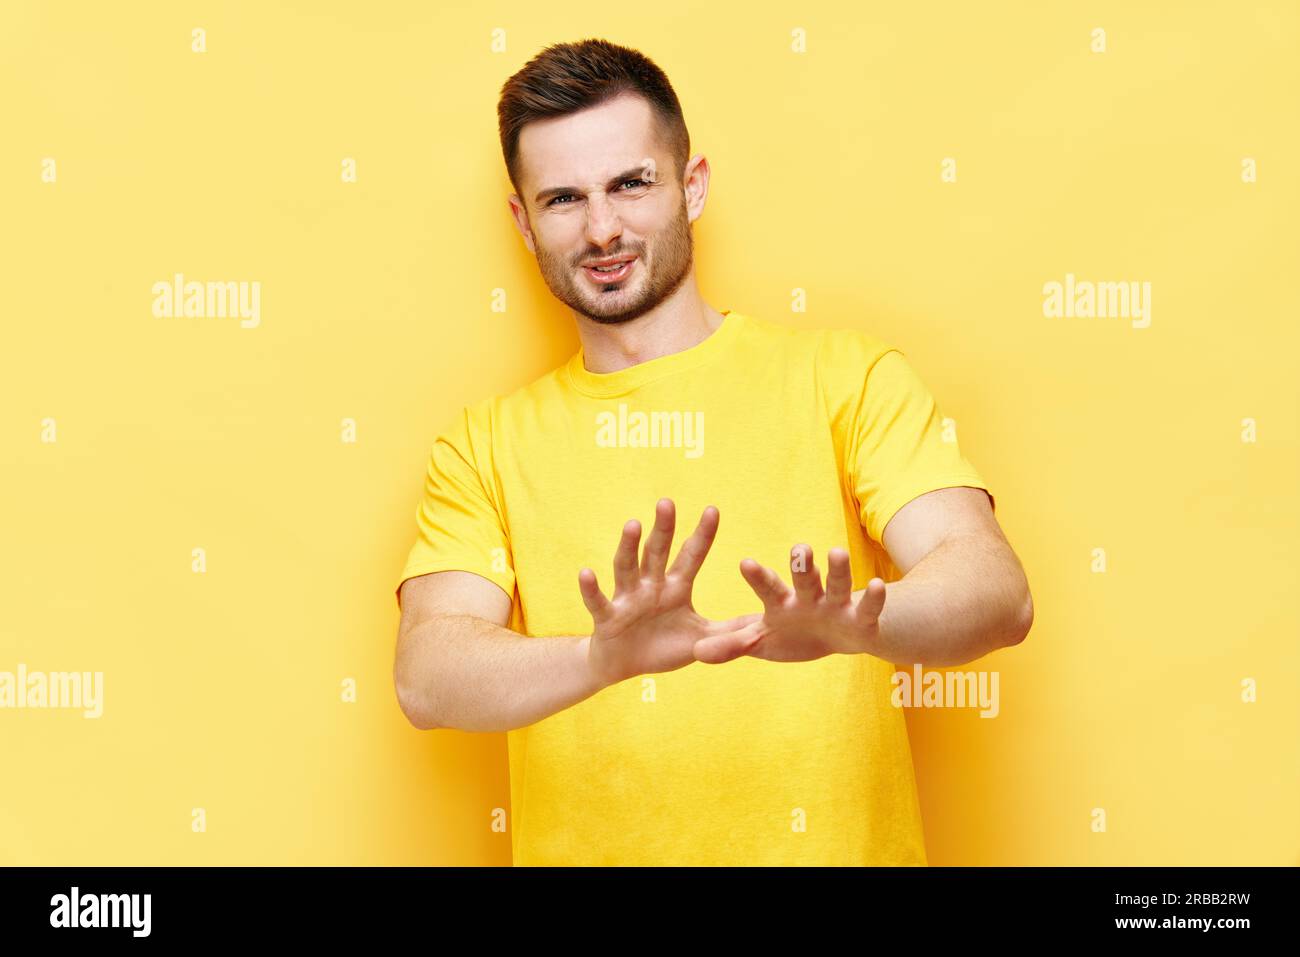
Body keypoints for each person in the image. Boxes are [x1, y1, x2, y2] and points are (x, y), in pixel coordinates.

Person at [393, 37, 1034, 866]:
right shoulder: (482, 445)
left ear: (692, 187)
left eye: (631, 183)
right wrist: (598, 658)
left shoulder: (844, 377)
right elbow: (427, 675)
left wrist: (862, 625)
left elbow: (995, 589)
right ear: (523, 221)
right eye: (562, 198)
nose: (603, 228)